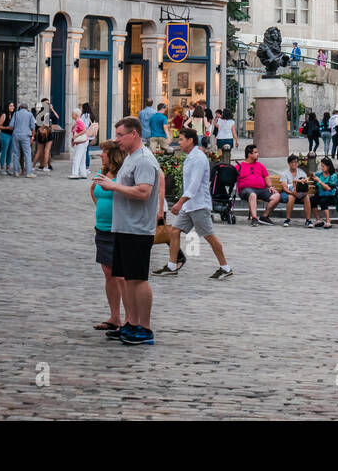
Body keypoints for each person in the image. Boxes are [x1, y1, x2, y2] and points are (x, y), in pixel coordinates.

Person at [96, 117, 161, 345]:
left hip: (137, 228)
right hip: (124, 227)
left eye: (120, 135)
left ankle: (145, 327)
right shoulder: (131, 158)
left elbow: (144, 192)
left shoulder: (144, 160)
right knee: (128, 278)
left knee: (138, 279)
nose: (117, 140)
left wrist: (113, 186)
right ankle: (131, 323)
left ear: (134, 134)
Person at [154, 126, 233, 279]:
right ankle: (172, 266)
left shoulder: (198, 158)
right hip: (189, 205)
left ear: (190, 140)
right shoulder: (190, 157)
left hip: (199, 205)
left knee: (209, 236)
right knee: (174, 231)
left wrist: (179, 203)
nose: (179, 143)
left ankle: (225, 267)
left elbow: (194, 186)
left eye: (181, 140)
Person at [90, 139, 127, 332]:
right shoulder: (103, 173)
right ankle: (114, 317)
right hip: (102, 228)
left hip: (119, 229)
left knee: (121, 275)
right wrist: (101, 208)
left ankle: (129, 319)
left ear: (113, 155)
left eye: (104, 152)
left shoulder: (124, 175)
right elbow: (93, 190)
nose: (101, 154)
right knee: (108, 272)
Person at [271, 153, 314, 226]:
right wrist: (292, 193)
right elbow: (284, 188)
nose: (294, 164)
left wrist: (304, 192)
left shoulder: (302, 173)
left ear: (298, 163)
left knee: (306, 197)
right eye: (292, 162)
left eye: (295, 162)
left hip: (299, 193)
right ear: (289, 163)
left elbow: (305, 185)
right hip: (287, 193)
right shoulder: (285, 173)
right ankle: (287, 220)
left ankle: (308, 220)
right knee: (291, 197)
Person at [235, 144, 274, 226]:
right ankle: (254, 218)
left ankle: (264, 216)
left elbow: (266, 177)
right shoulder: (239, 166)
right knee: (252, 194)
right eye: (255, 152)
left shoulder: (260, 165)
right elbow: (232, 178)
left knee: (276, 196)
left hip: (261, 190)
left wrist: (270, 186)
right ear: (249, 154)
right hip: (246, 190)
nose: (258, 154)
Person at [310, 157, 338, 229]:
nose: (322, 168)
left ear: (328, 167)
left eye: (323, 166)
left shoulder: (333, 176)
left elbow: (329, 188)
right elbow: (312, 174)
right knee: (312, 200)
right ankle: (318, 220)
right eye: (321, 166)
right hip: (321, 194)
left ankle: (328, 221)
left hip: (331, 195)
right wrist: (312, 175)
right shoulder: (320, 173)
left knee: (323, 200)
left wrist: (319, 181)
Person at [9, 100, 36, 178]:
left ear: (20, 107)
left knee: (16, 154)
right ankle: (28, 173)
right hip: (26, 136)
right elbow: (33, 127)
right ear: (27, 108)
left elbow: (11, 126)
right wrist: (32, 137)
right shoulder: (30, 114)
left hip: (16, 135)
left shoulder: (16, 114)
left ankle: (16, 172)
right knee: (27, 154)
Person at [33, 100, 57, 172]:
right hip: (48, 134)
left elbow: (36, 126)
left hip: (40, 134)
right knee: (47, 150)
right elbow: (56, 118)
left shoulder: (39, 115)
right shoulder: (48, 115)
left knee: (39, 151)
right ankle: (45, 166)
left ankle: (33, 166)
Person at [69, 109, 91, 179]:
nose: (71, 115)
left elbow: (84, 130)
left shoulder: (79, 121)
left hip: (81, 142)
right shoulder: (78, 121)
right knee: (82, 158)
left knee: (77, 158)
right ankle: (83, 173)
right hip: (83, 142)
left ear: (75, 115)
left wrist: (76, 136)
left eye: (72, 114)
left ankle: (75, 173)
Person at [0, 101, 15, 174]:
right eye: (11, 106)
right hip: (5, 135)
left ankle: (8, 168)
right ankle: (2, 168)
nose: (12, 107)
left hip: (12, 135)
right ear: (7, 107)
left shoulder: (13, 115)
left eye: (13, 106)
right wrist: (7, 128)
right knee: (4, 151)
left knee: (10, 152)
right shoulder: (4, 115)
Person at [81, 102, 96, 174]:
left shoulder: (85, 115)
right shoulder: (92, 115)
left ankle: (86, 167)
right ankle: (86, 167)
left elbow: (84, 126)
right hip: (91, 136)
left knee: (85, 152)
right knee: (87, 151)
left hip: (86, 135)